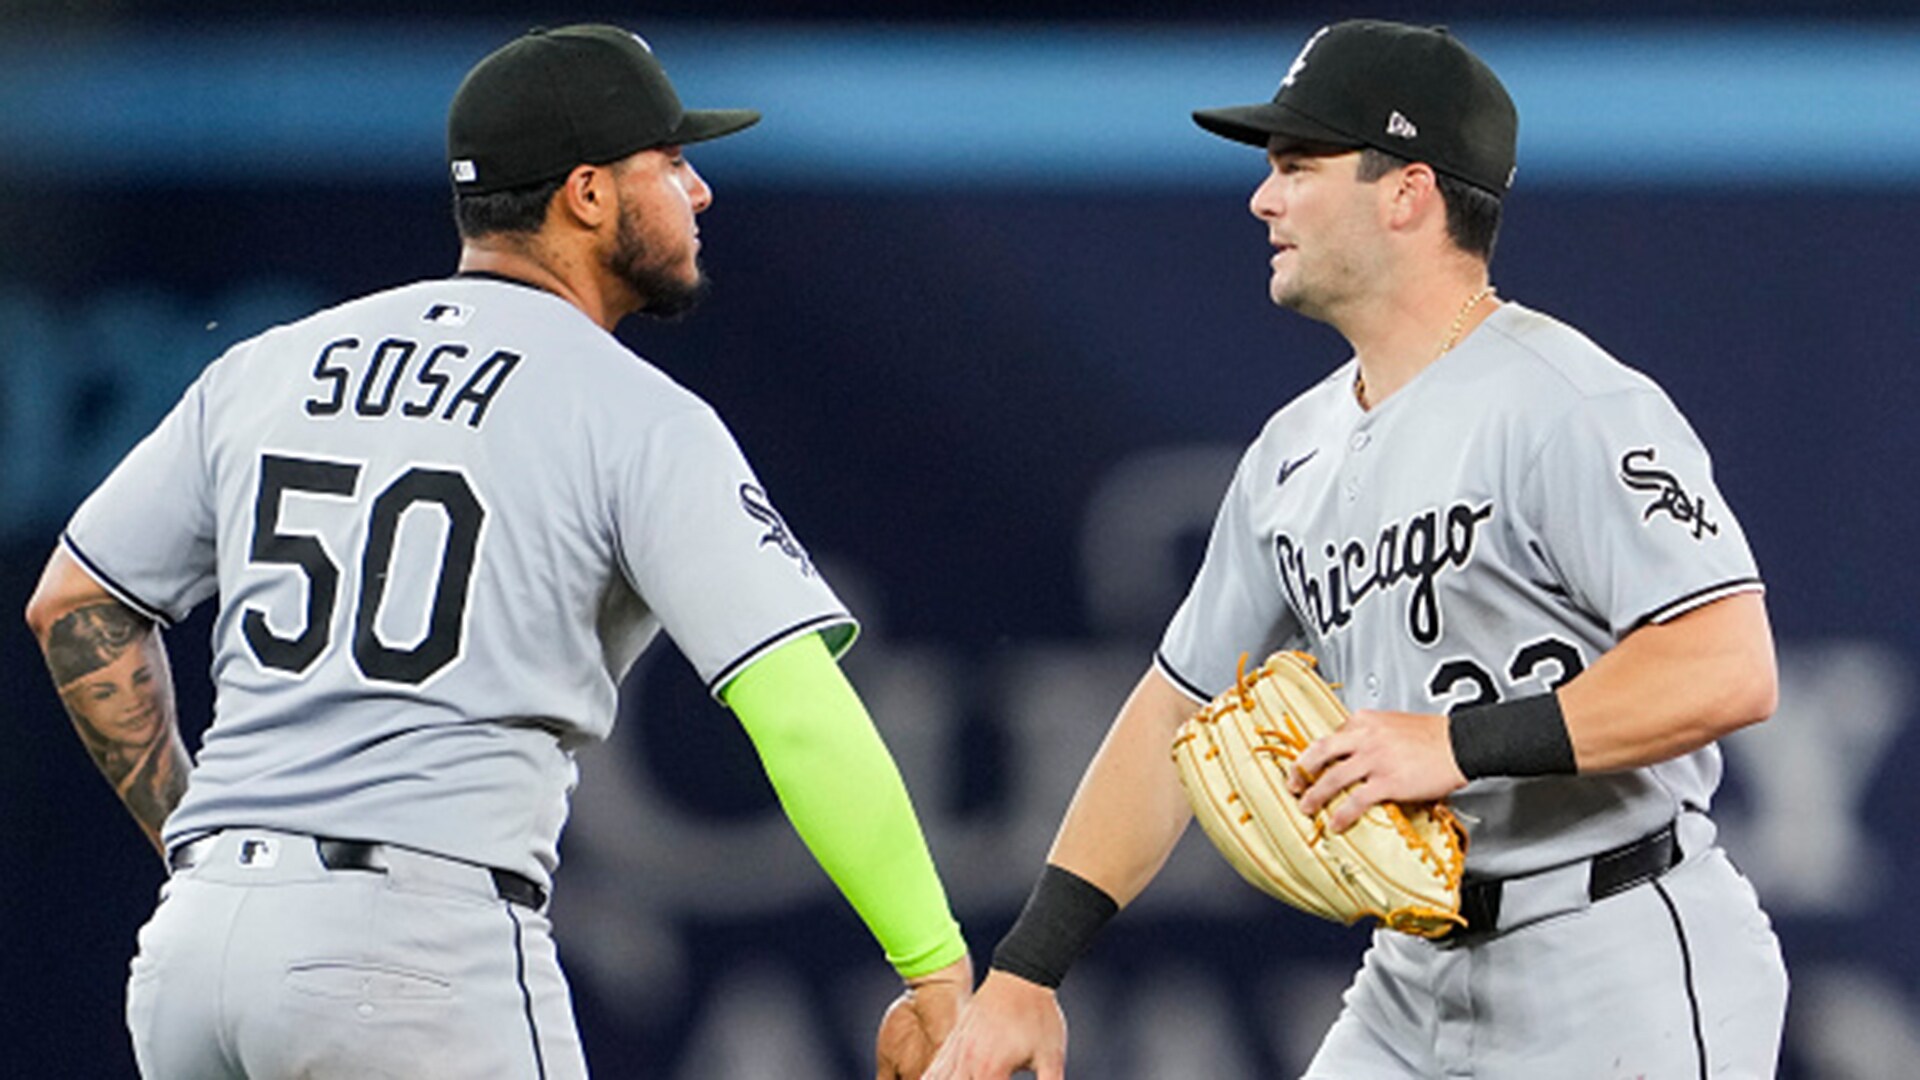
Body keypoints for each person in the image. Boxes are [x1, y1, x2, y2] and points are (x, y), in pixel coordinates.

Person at [26, 24, 970, 1079]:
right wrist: (933, 966)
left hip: (196, 955)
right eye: (670, 162)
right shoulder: (632, 412)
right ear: (587, 194)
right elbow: (796, 708)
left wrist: (202, 845)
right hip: (412, 956)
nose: (697, 192)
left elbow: (75, 602)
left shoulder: (270, 366)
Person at [928, 19, 1787, 1080]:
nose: (1263, 198)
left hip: (1613, 953)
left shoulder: (1570, 404)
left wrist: (1455, 742)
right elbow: (1175, 709)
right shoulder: (1292, 453)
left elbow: (1727, 667)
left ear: (1408, 192)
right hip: (1410, 972)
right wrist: (1027, 973)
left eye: (1298, 165)